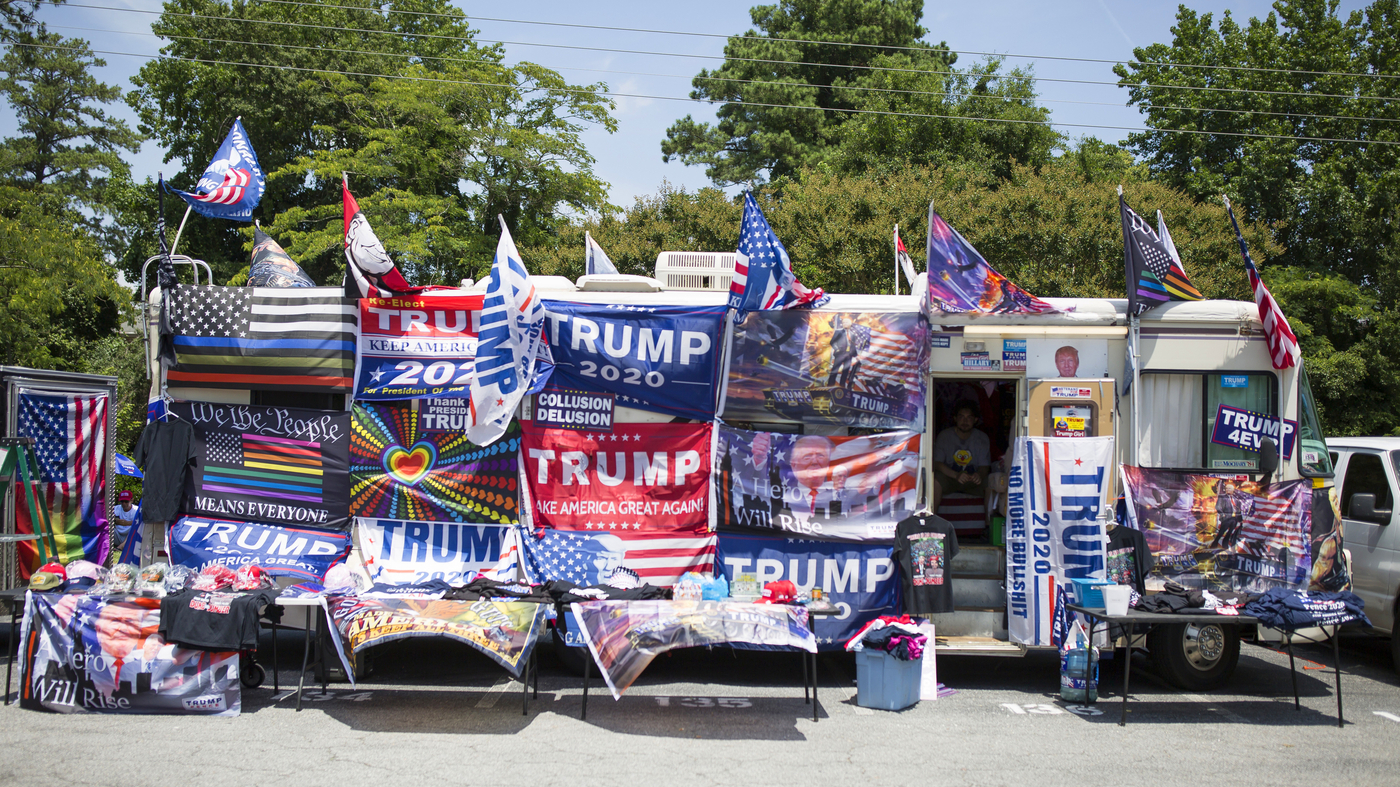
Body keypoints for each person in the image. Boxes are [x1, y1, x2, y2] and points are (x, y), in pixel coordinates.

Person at [932, 402, 991, 512]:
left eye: (969, 417)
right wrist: (956, 475)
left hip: (972, 480)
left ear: (976, 420)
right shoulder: (945, 436)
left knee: (991, 481)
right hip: (951, 478)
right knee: (936, 480)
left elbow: (985, 466)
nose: (965, 421)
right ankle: (932, 520)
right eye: (961, 417)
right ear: (955, 418)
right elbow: (937, 463)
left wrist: (979, 475)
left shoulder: (982, 438)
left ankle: (989, 526)